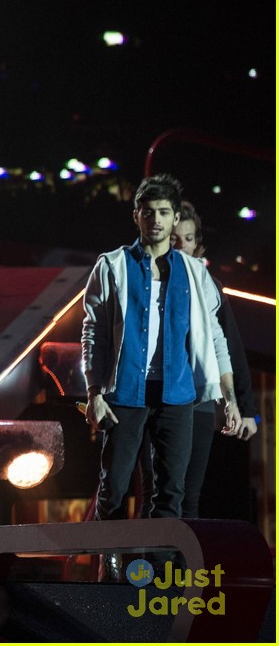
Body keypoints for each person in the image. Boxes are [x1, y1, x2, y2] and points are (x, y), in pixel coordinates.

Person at [81, 173, 240, 520]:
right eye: (149, 211)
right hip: (125, 392)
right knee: (114, 488)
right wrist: (94, 392)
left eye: (164, 212)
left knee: (171, 493)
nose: (156, 220)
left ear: (175, 217)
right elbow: (93, 333)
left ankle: (158, 571)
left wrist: (230, 399)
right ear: (136, 214)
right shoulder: (112, 265)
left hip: (177, 395)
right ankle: (107, 568)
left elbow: (215, 338)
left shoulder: (194, 272)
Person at [167, 200, 258, 517]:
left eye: (188, 239)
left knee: (190, 497)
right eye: (175, 239)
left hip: (199, 402)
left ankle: (180, 567)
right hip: (158, 401)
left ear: (197, 243)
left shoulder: (208, 286)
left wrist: (241, 405)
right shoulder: (147, 280)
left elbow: (227, 343)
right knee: (163, 495)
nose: (182, 246)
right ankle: (154, 565)